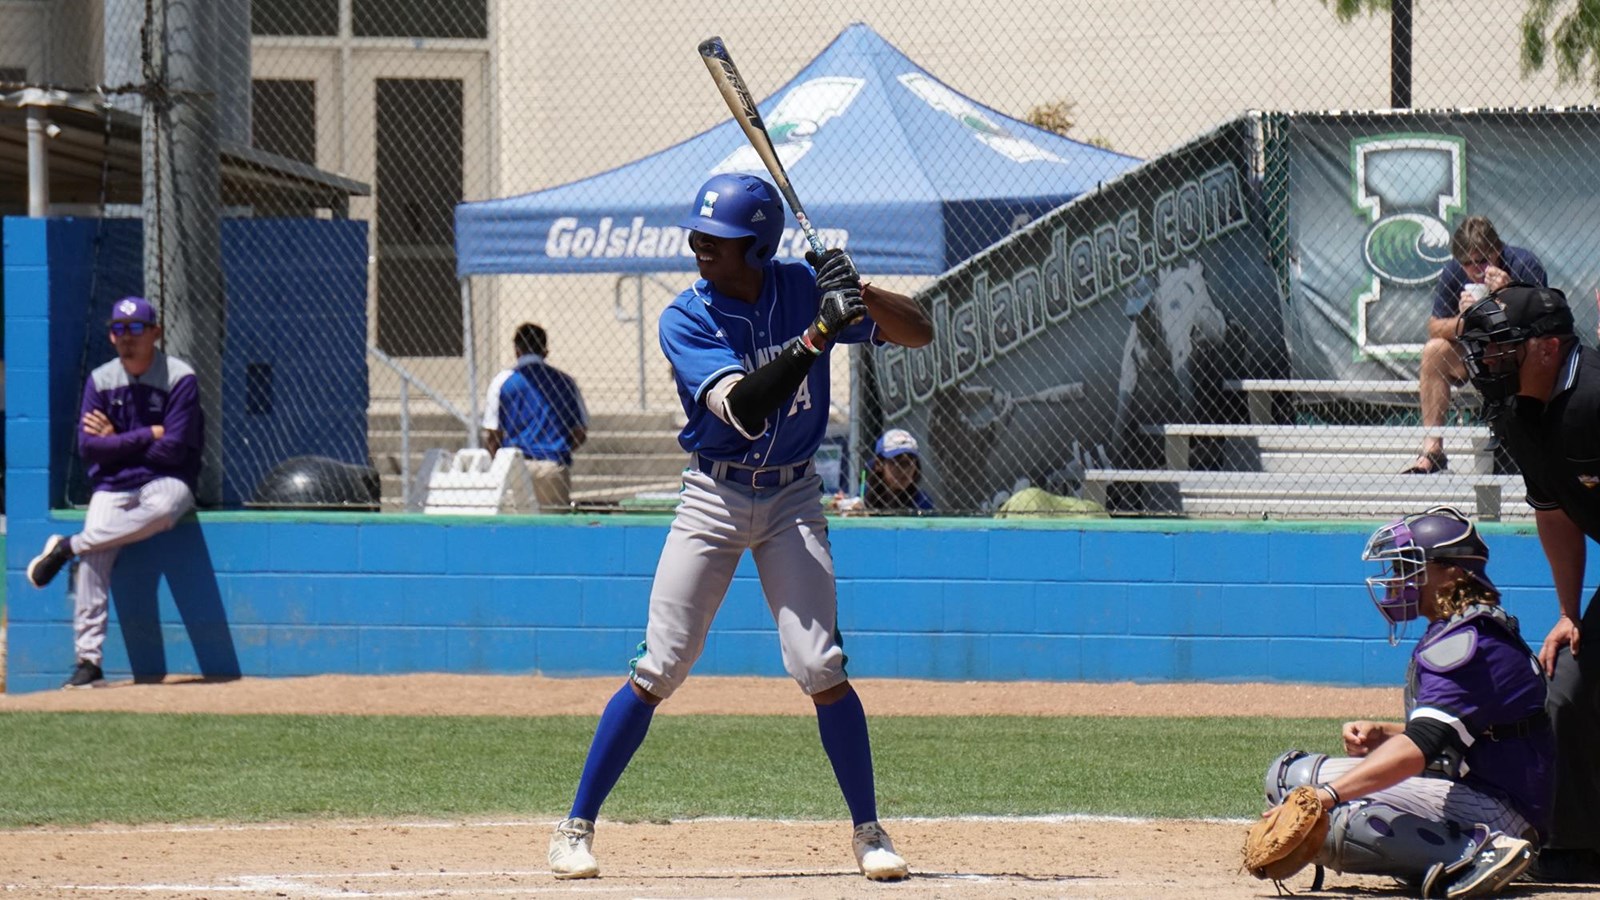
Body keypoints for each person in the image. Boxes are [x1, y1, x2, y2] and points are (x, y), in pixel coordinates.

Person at [546, 173, 933, 881]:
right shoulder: (685, 316)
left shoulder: (796, 287)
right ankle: (575, 827)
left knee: (820, 665)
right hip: (714, 497)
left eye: (717, 242)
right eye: (698, 237)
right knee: (660, 665)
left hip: (792, 499)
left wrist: (859, 292)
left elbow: (920, 330)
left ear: (758, 249)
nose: (699, 248)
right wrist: (822, 330)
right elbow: (747, 410)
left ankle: (869, 832)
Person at [1258, 506, 1551, 897]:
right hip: (1476, 789)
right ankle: (1440, 853)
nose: (1397, 580)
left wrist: (1328, 797)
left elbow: (1420, 750)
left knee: (1326, 803)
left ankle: (1480, 851)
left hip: (1501, 809)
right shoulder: (1459, 629)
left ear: (1451, 573)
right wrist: (1386, 734)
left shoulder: (1470, 643)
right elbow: (1457, 734)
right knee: (1290, 777)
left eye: (1408, 567)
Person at [1458, 284, 1600, 882]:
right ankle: (1576, 846)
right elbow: (1555, 511)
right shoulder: (1518, 416)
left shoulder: (1595, 397)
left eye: (1500, 350)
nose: (1488, 364)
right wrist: (1570, 612)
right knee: (1568, 687)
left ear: (1546, 348)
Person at [25, 296, 204, 689]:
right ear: (110, 335)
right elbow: (90, 447)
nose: (127, 338)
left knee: (163, 510)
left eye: (137, 329)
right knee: (95, 557)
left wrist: (118, 439)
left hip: (166, 478)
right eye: (119, 330)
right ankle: (89, 662)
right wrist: (144, 436)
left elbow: (173, 449)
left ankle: (68, 545)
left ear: (155, 333)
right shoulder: (101, 379)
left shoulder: (179, 377)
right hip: (113, 480)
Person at [1406, 217, 1545, 474]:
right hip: (1477, 355)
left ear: (1497, 250)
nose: (1475, 270)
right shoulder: (1454, 272)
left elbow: (1544, 321)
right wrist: (1465, 321)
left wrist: (1509, 294)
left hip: (1517, 354)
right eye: (1467, 264)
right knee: (1434, 350)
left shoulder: (1523, 264)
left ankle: (1534, 445)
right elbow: (1434, 327)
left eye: (1482, 260)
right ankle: (1433, 449)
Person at [479, 322, 589, 510]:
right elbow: (580, 431)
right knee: (553, 527)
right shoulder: (565, 382)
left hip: (515, 466)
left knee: (514, 525)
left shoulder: (503, 382)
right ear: (545, 351)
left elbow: (493, 434)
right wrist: (559, 448)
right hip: (552, 464)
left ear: (517, 349)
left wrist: (496, 461)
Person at [844, 428, 933, 515]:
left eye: (908, 463)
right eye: (896, 462)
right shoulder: (866, 494)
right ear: (879, 464)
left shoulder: (921, 501)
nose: (904, 470)